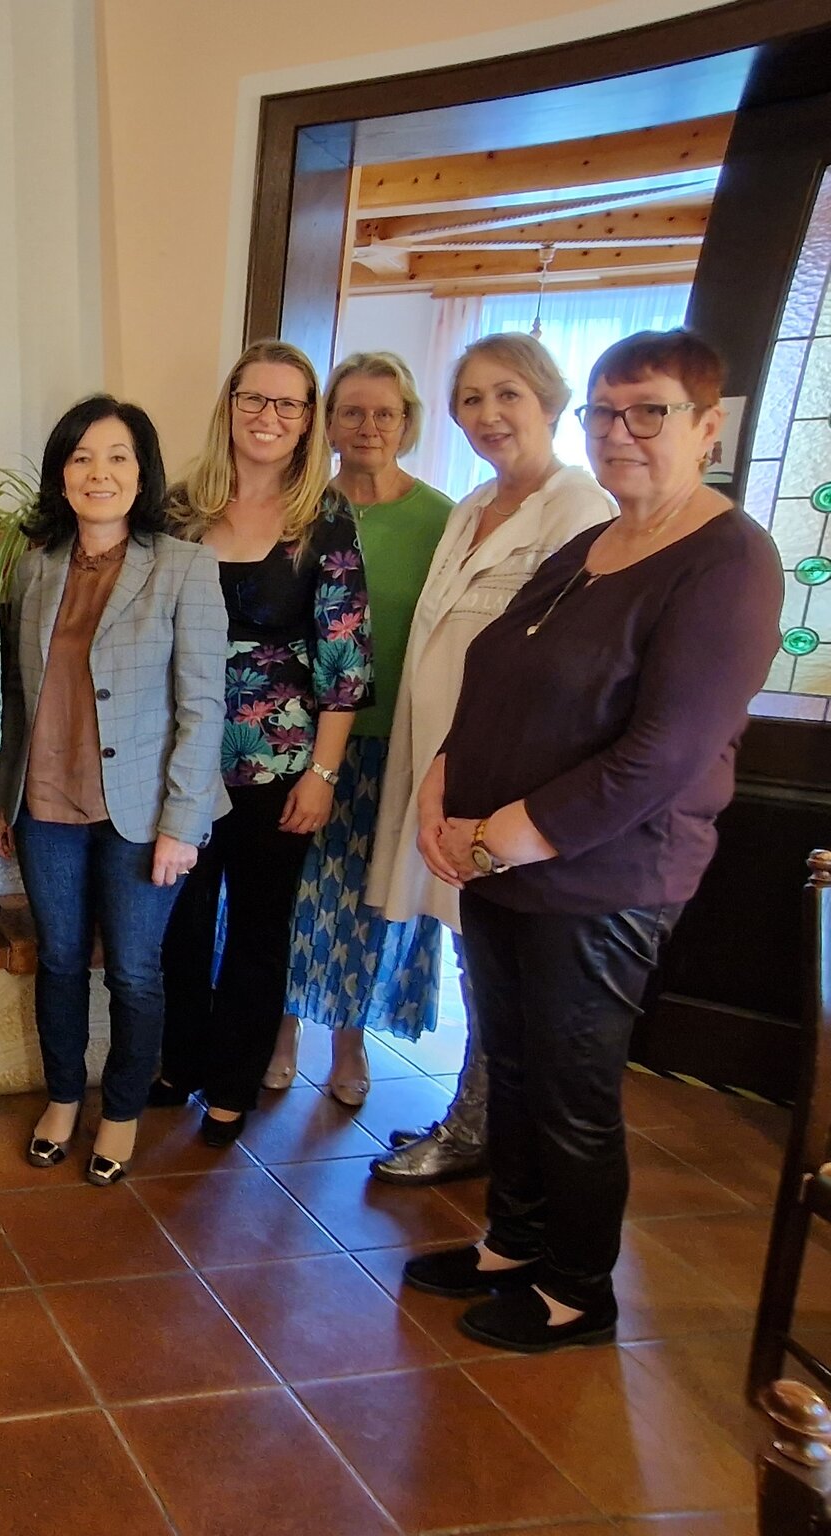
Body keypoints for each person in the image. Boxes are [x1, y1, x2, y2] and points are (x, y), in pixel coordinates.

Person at [400, 329, 780, 1352]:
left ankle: (576, 1289)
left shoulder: (727, 560)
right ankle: (511, 1243)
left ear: (704, 425)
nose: (618, 434)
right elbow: (495, 673)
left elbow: (660, 753)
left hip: (601, 878)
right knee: (514, 1069)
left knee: (570, 1090)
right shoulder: (591, 542)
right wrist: (443, 784)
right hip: (499, 862)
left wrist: (501, 837)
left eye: (646, 412)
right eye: (603, 414)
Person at [366, 334, 614, 1186]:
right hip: (443, 765)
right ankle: (477, 1120)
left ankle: (483, 1131)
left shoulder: (578, 508)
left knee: (501, 968)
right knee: (480, 959)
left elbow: (556, 667)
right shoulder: (473, 507)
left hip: (505, 780)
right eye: (471, 399)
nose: (488, 415)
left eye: (506, 394)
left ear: (549, 400)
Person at [0, 396, 227, 1183]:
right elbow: (16, 693)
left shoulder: (184, 566)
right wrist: (2, 796)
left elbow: (203, 704)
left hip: (143, 814)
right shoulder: (38, 563)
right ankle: (62, 1098)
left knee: (133, 970)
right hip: (46, 804)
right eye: (84, 456)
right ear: (62, 472)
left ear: (142, 471)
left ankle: (120, 1112)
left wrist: (182, 824)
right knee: (58, 960)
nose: (100, 472)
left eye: (119, 456)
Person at [157, 340, 373, 1147]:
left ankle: (232, 1086)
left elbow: (346, 660)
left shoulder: (324, 517)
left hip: (279, 768)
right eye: (255, 399)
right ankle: (178, 1063)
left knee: (256, 926)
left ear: (307, 420)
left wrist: (322, 772)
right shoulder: (179, 508)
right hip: (181, 760)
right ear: (230, 405)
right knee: (176, 924)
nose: (268, 417)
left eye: (288, 404)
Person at [278, 353, 451, 1106]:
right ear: (329, 423)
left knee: (367, 899)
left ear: (407, 421)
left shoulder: (446, 520)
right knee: (294, 893)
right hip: (304, 742)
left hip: (397, 743)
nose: (369, 426)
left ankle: (351, 1043)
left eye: (385, 412)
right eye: (352, 411)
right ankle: (280, 1031)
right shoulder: (299, 508)